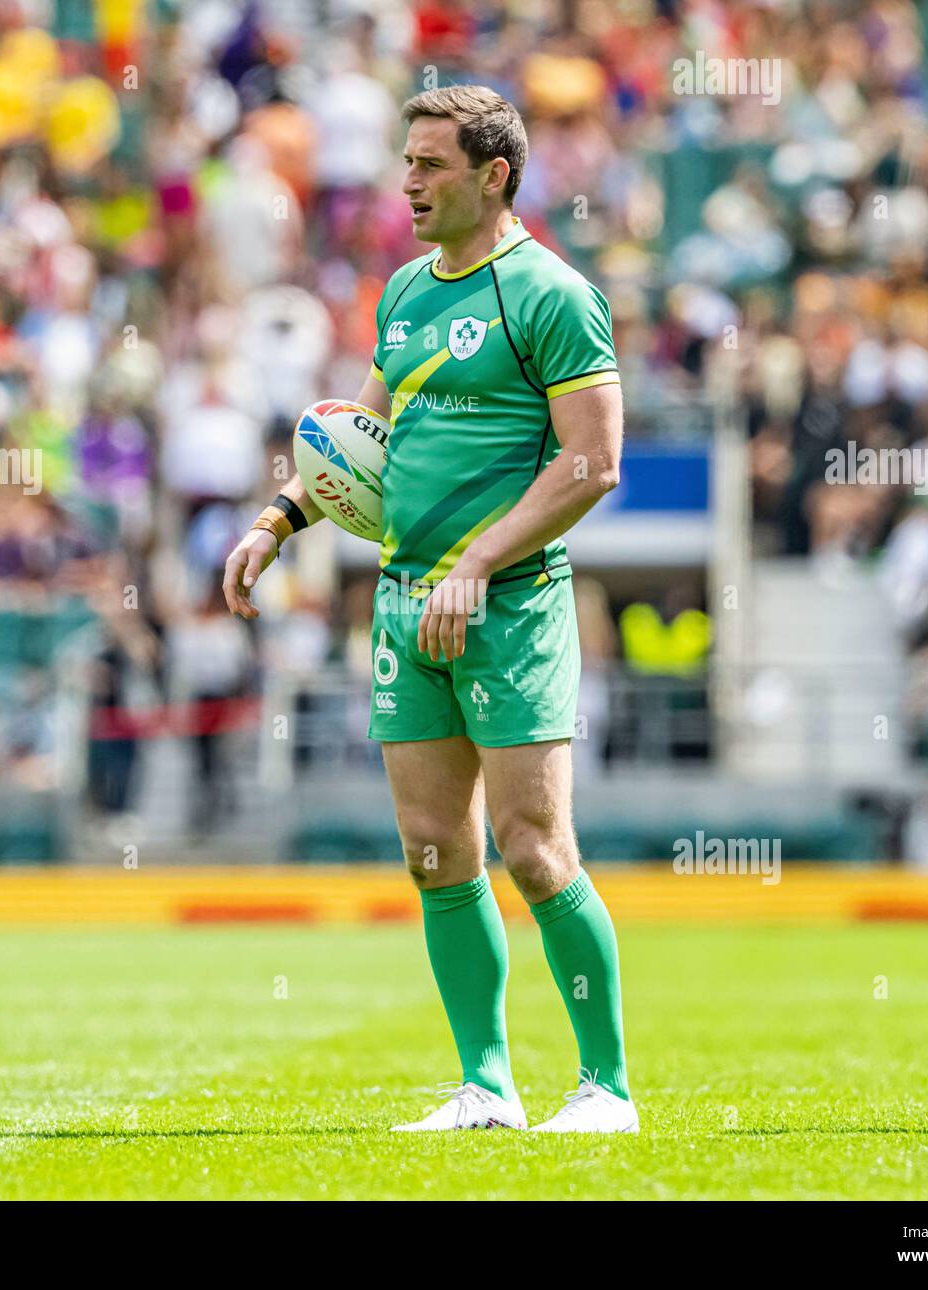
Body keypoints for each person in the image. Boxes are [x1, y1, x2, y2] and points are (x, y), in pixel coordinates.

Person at [223, 85, 634, 1134]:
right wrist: (276, 520)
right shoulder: (402, 292)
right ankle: (486, 1086)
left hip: (509, 603)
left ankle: (604, 1089)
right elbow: (361, 437)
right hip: (407, 604)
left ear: (494, 175)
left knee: (535, 849)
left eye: (431, 164)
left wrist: (476, 562)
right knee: (434, 852)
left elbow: (592, 464)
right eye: (405, 161)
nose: (406, 181)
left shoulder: (550, 293)